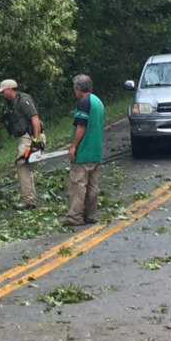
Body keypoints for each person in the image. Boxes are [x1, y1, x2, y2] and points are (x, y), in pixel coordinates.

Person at [0, 79, 44, 209]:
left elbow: (35, 119)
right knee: (25, 166)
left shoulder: (23, 101)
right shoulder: (9, 106)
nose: (1, 95)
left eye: (3, 92)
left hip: (30, 137)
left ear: (9, 90)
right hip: (23, 139)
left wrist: (36, 141)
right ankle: (30, 199)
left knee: (22, 164)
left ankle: (29, 202)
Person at [66, 74, 105, 227]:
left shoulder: (84, 102)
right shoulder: (97, 101)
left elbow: (81, 126)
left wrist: (73, 146)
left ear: (77, 88)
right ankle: (90, 215)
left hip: (84, 151)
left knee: (78, 185)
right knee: (92, 185)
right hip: (95, 151)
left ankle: (74, 217)